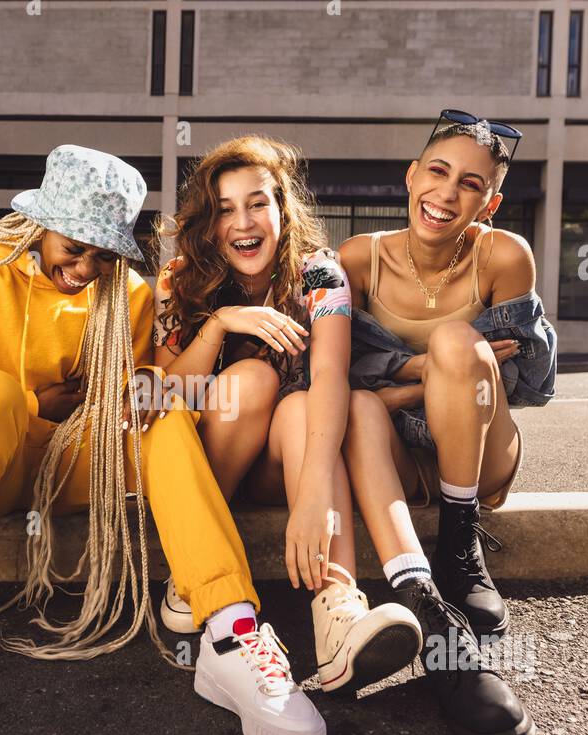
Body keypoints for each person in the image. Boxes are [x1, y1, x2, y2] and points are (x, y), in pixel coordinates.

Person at [0, 144, 326, 735]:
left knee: (164, 419)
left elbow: (148, 385)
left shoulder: (125, 293)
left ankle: (231, 635)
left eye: (102, 255)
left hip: (79, 467)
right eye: (74, 248)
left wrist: (155, 378)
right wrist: (31, 404)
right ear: (44, 225)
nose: (84, 268)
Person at [152, 134, 423, 697]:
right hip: (213, 469)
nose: (243, 222)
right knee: (252, 379)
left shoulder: (320, 273)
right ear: (209, 220)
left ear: (282, 208)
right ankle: (193, 563)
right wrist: (221, 323)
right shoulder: (178, 279)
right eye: (225, 209)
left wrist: (315, 492)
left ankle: (338, 616)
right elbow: (167, 394)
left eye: (257, 203)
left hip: (290, 459)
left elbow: (329, 376)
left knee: (302, 402)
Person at [337, 110, 557, 735]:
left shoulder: (505, 255)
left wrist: (422, 367)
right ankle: (428, 601)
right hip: (398, 456)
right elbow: (341, 383)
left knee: (460, 342)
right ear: (411, 176)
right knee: (359, 408)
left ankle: (460, 549)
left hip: (481, 454)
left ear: (489, 200)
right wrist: (425, 376)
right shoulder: (357, 261)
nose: (447, 193)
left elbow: (527, 382)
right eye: (437, 171)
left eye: (470, 183)